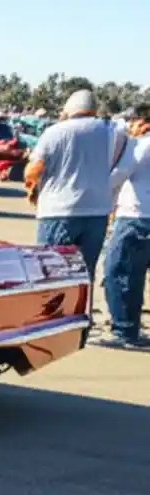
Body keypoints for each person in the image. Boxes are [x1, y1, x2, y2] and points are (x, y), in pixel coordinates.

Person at [24, 89, 114, 279]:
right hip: (97, 212)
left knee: (52, 273)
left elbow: (34, 170)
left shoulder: (54, 132)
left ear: (68, 109)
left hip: (58, 211)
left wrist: (32, 189)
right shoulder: (110, 131)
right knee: (85, 274)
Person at [101, 105, 150, 349]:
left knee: (121, 273)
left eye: (132, 122)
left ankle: (125, 331)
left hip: (136, 216)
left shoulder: (141, 145)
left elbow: (118, 175)